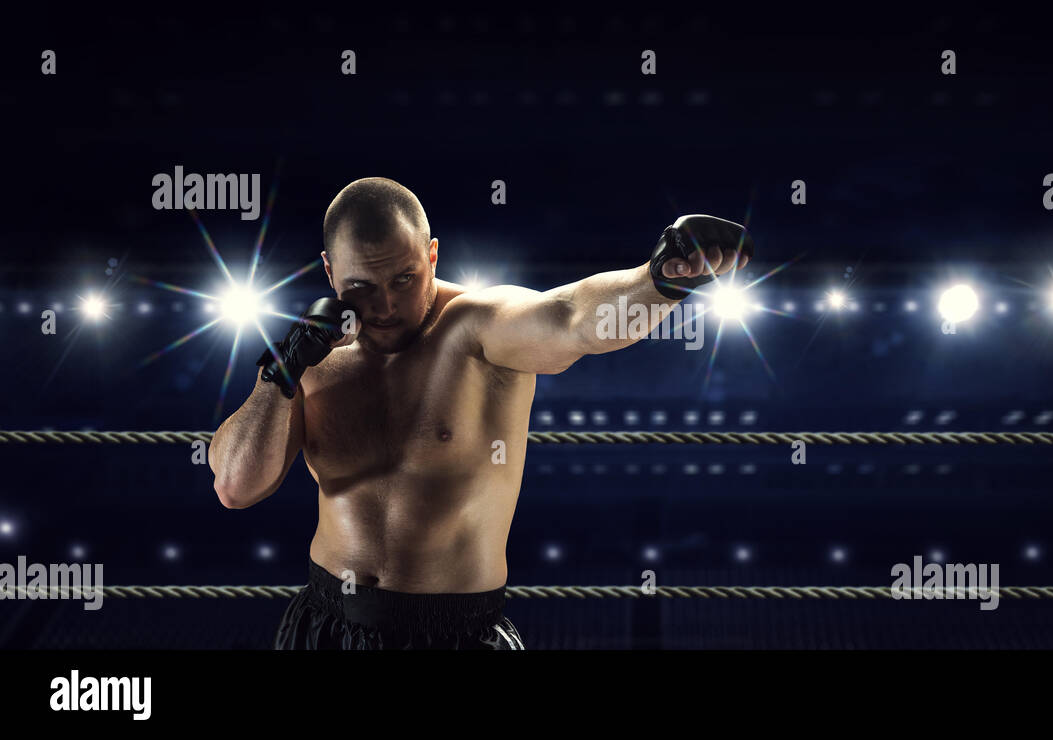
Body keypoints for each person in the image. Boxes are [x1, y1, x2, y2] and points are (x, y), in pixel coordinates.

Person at [208, 177, 753, 649]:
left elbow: (571, 317)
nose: (386, 307)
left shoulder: (477, 326)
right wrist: (280, 368)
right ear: (330, 272)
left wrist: (659, 280)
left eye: (404, 279)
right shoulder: (314, 354)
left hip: (455, 633)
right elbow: (236, 487)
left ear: (433, 256)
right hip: (325, 622)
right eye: (361, 288)